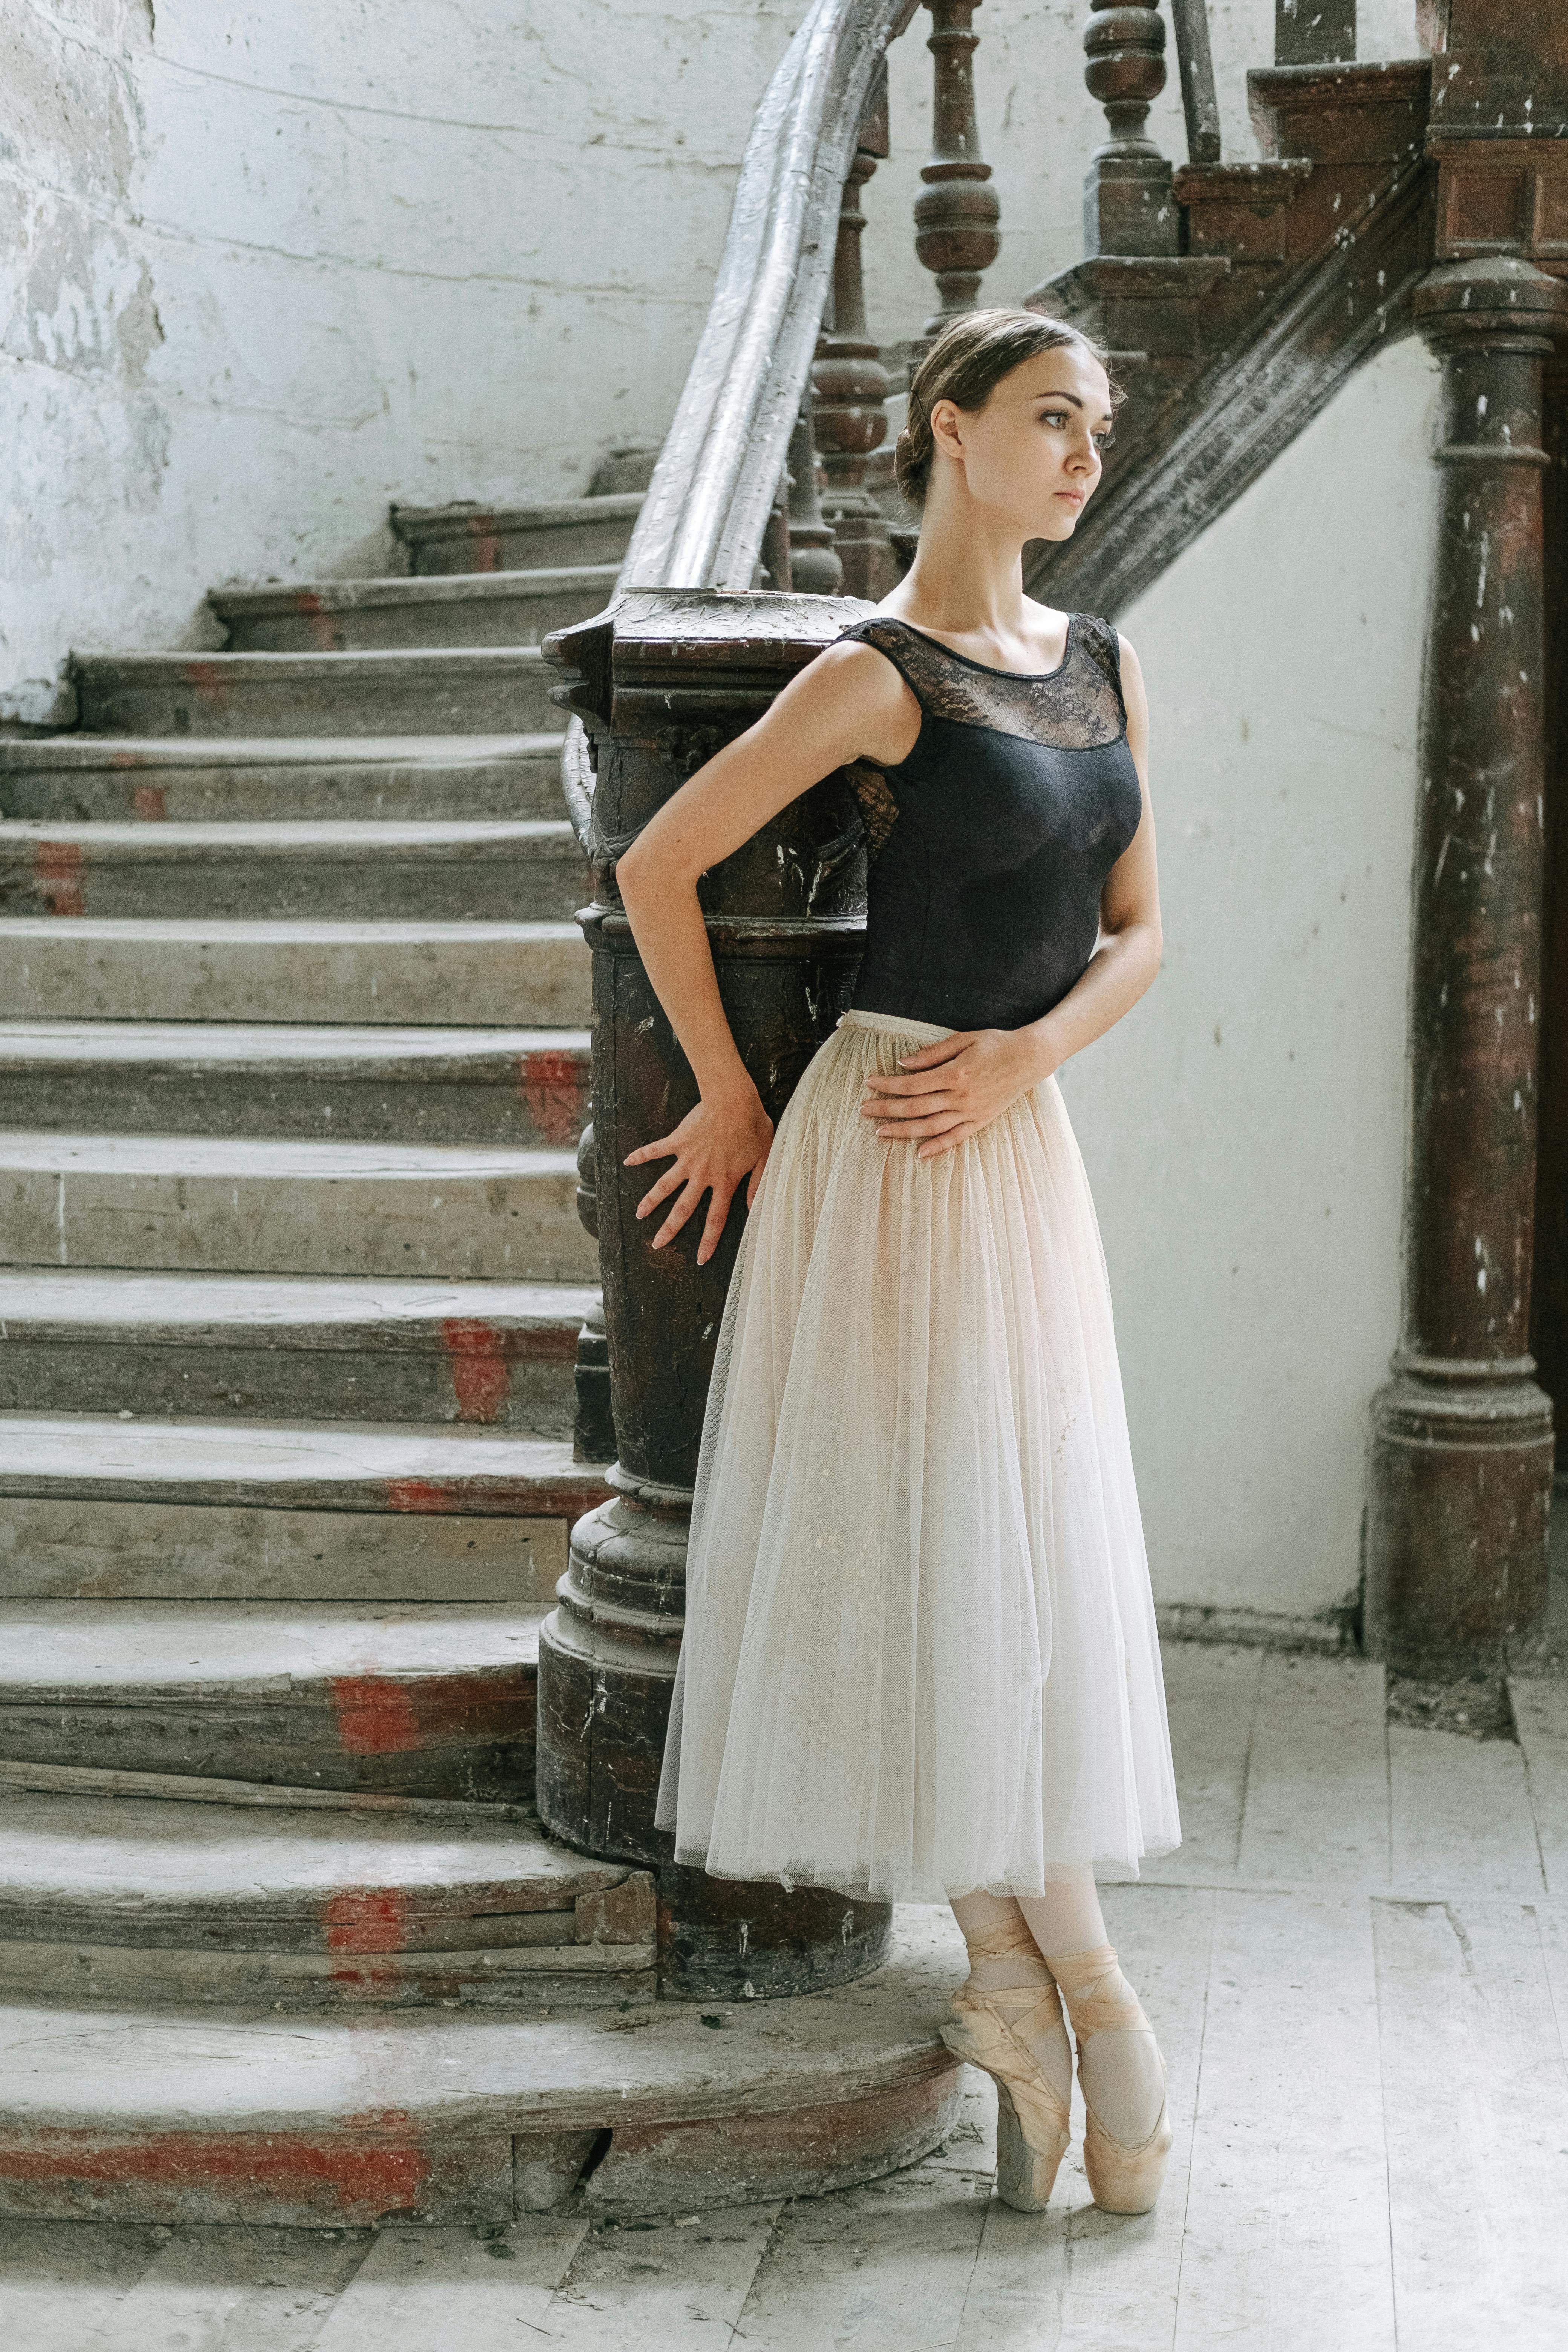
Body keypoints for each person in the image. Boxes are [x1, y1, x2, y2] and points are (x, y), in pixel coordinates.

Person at [614, 306, 1181, 2217]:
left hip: (1009, 1140)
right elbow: (653, 865)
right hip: (884, 1144)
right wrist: (728, 1094)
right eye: (1049, 419)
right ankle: (1091, 2002)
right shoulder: (876, 675)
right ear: (950, 429)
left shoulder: (1099, 662)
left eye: (1096, 426)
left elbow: (1141, 931)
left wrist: (1033, 1056)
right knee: (940, 1556)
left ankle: (1016, 1990)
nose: (1081, 456)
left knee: (1009, 1557)